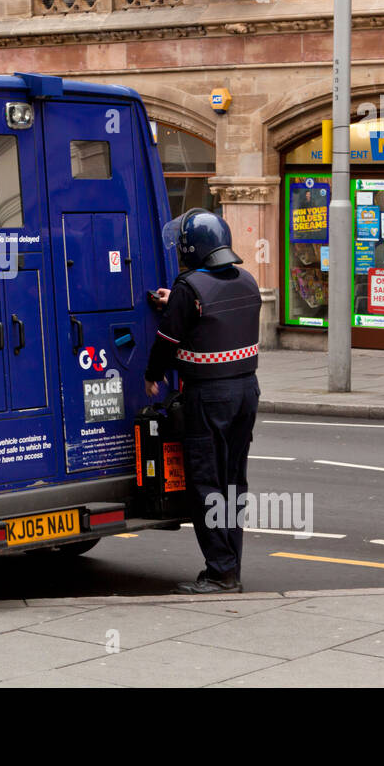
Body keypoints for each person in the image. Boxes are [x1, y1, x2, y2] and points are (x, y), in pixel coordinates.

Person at [144, 209, 262, 594]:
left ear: (191, 249)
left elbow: (168, 341)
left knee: (205, 482)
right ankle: (232, 566)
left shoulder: (188, 288)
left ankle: (220, 572)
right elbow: (213, 315)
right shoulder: (246, 281)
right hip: (246, 391)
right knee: (232, 482)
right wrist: (175, 301)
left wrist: (152, 376)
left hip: (208, 396)